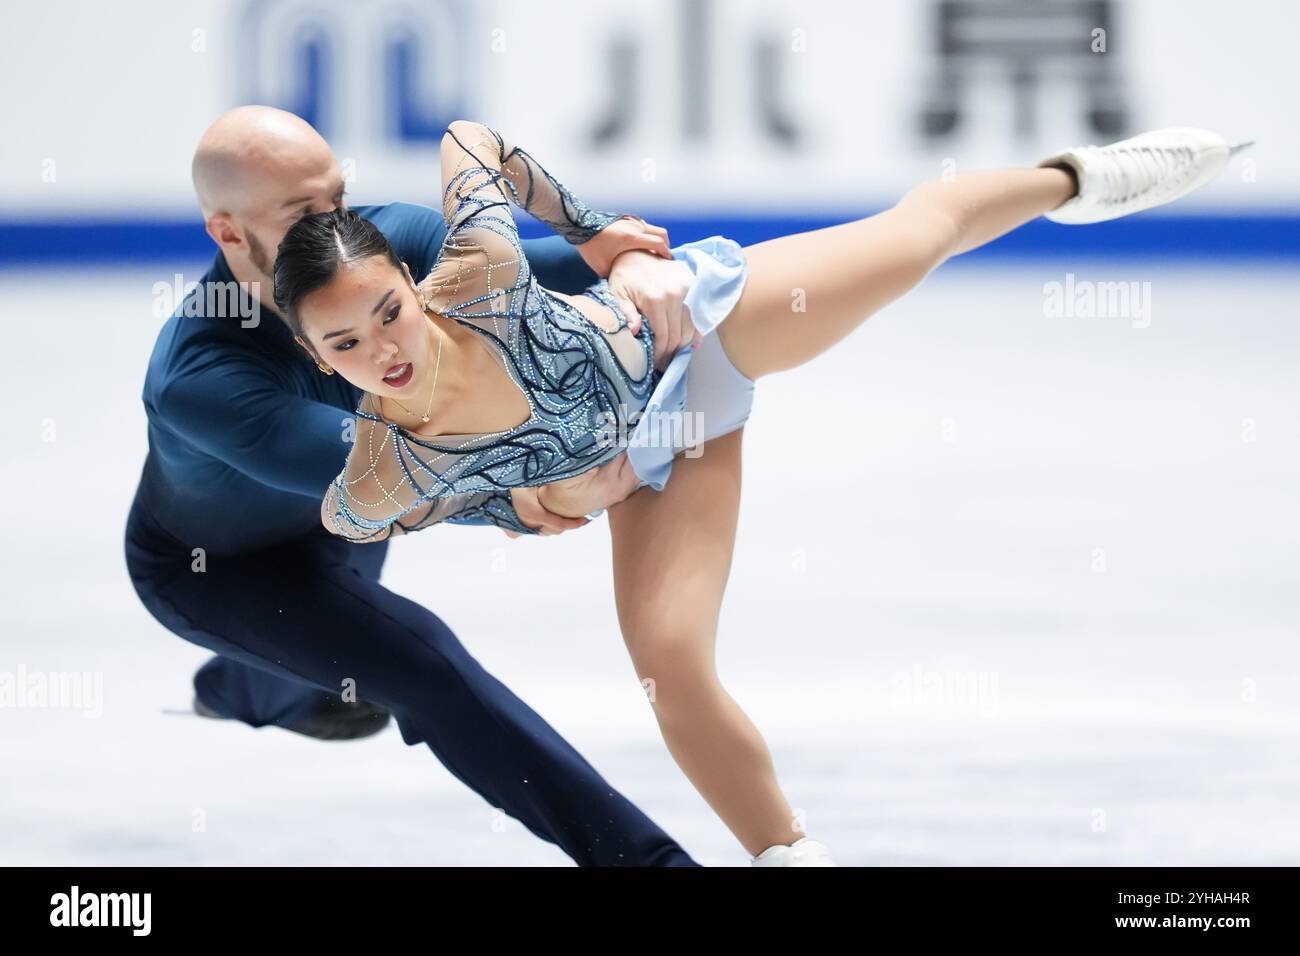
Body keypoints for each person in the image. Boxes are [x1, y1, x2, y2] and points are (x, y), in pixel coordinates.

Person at [274, 121, 1249, 865]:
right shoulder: (379, 469)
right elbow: (378, 511)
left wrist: (599, 233)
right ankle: (792, 857)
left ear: (409, 280)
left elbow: (467, 140)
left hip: (703, 329)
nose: (383, 351)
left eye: (386, 313)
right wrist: (529, 507)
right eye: (344, 345)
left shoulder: (480, 272)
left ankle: (1074, 176)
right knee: (671, 669)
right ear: (310, 353)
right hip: (660, 459)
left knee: (915, 240)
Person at [125, 106, 706, 866]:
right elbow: (397, 475)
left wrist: (616, 255)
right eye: (305, 213)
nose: (339, 222)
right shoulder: (203, 378)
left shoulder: (380, 243)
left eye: (339, 194)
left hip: (342, 530)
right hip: (216, 572)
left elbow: (510, 286)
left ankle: (243, 686)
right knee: (423, 668)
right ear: (229, 234)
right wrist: (525, 502)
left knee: (332, 677)